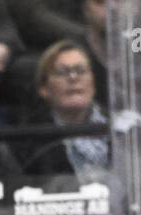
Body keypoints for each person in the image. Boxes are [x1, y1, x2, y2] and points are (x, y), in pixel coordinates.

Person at [19, 40, 109, 184]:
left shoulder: (120, 127)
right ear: (44, 89)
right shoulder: (28, 139)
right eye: (62, 72)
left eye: (81, 71)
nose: (73, 78)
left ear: (93, 83)